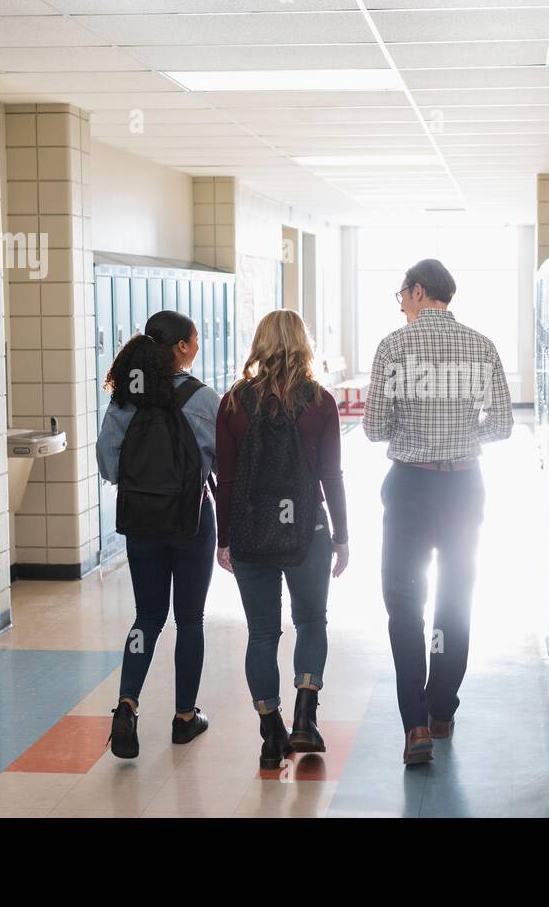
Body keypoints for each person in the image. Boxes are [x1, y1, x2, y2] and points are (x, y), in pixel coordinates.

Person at [363, 258, 513, 765]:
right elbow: (502, 427)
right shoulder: (481, 345)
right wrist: (464, 434)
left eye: (402, 294)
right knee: (454, 597)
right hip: (464, 486)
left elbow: (375, 428)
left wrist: (414, 426)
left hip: (409, 487)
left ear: (419, 291)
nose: (401, 304)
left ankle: (416, 725)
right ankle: (443, 707)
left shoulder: (393, 346)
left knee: (404, 605)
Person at [216, 309, 349, 770]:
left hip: (251, 532)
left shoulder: (233, 402)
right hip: (306, 529)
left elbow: (226, 480)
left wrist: (224, 539)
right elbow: (331, 474)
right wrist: (342, 535)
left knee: (262, 634)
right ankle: (305, 719)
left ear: (260, 343)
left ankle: (271, 734)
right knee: (311, 621)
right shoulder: (319, 401)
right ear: (303, 343)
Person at [96, 310, 221, 759]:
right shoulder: (205, 399)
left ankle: (127, 705)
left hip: (142, 522)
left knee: (147, 616)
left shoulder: (128, 396)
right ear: (183, 348)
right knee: (190, 619)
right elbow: (222, 466)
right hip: (191, 520)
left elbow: (109, 463)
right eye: (196, 336)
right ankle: (185, 718)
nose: (199, 342)